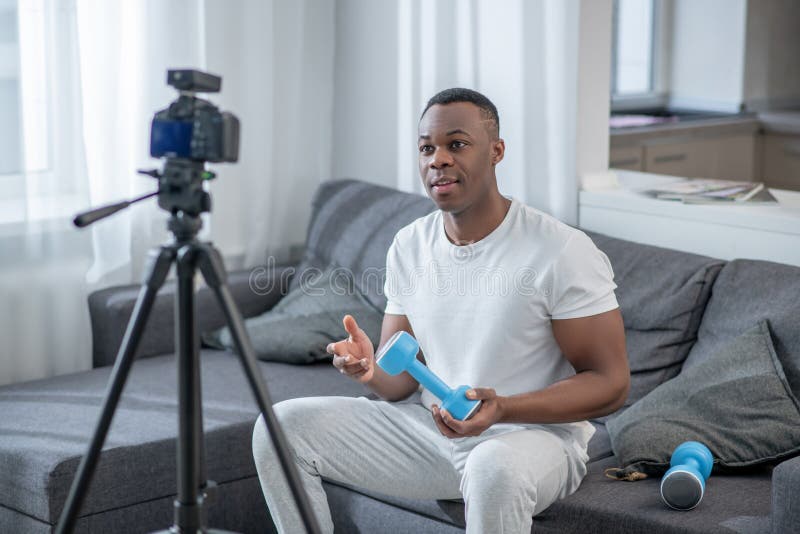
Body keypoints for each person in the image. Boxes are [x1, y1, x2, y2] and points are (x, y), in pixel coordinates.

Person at [252, 88, 629, 534]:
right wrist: (368, 370)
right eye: (427, 148)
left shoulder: (559, 250)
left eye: (457, 144)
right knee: (279, 427)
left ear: (496, 151)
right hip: (433, 434)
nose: (439, 159)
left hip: (530, 441)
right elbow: (400, 382)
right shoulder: (410, 244)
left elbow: (611, 385)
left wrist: (503, 408)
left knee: (493, 466)